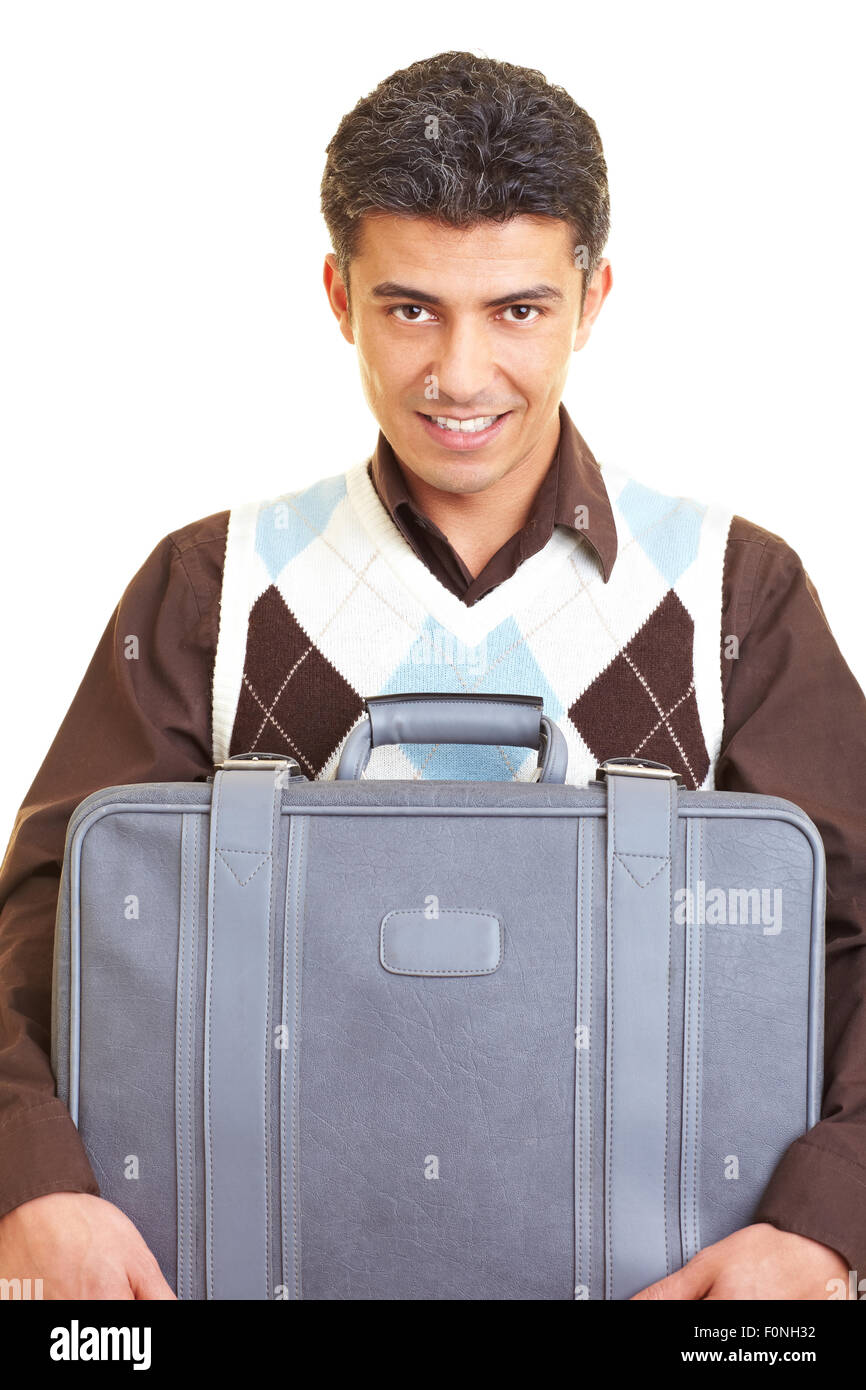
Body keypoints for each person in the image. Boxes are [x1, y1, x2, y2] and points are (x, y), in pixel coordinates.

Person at [1, 50, 864, 1301]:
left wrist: (824, 1221)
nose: (459, 375)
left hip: (656, 1286)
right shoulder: (209, 585)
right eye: (410, 307)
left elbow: (856, 938)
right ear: (338, 296)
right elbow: (37, 925)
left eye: (515, 310)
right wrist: (33, 1181)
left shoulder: (735, 593)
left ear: (592, 298)